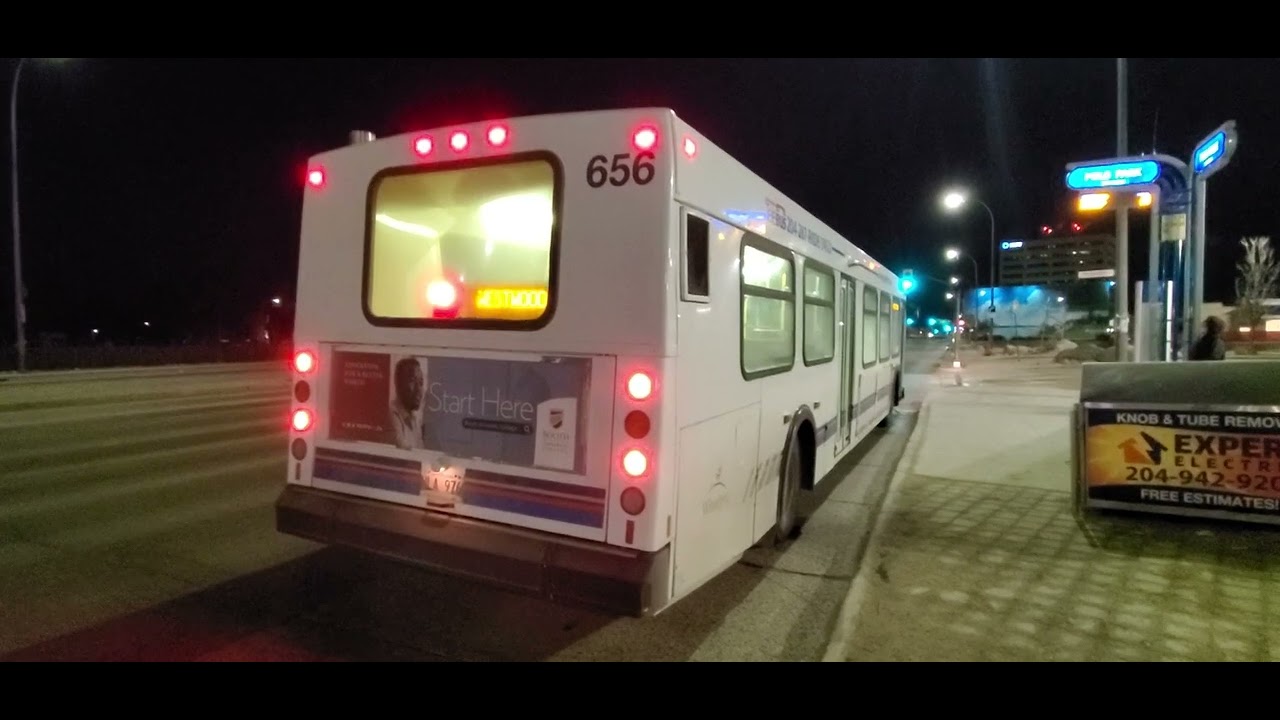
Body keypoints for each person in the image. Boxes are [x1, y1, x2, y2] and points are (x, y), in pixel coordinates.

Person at [390, 357, 426, 449]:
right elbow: (404, 455)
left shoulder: (414, 419)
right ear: (398, 384)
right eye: (412, 381)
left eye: (421, 383)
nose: (419, 389)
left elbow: (420, 452)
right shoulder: (392, 415)